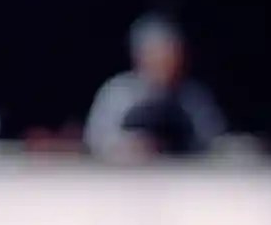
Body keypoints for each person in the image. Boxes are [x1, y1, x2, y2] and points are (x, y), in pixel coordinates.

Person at [85, 15, 225, 160]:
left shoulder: (193, 97)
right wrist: (134, 145)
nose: (165, 60)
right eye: (157, 53)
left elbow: (213, 142)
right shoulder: (118, 93)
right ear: (140, 56)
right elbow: (95, 141)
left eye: (171, 54)